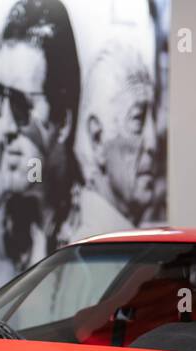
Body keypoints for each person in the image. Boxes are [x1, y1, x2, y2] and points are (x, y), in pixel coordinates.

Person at [0, 0, 82, 318]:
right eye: (0, 95)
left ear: (62, 121)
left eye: (21, 104)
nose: (4, 126)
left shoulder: (99, 237)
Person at [64, 40, 160, 242]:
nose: (152, 143)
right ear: (97, 139)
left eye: (153, 118)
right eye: (137, 119)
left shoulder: (114, 241)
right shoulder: (91, 253)